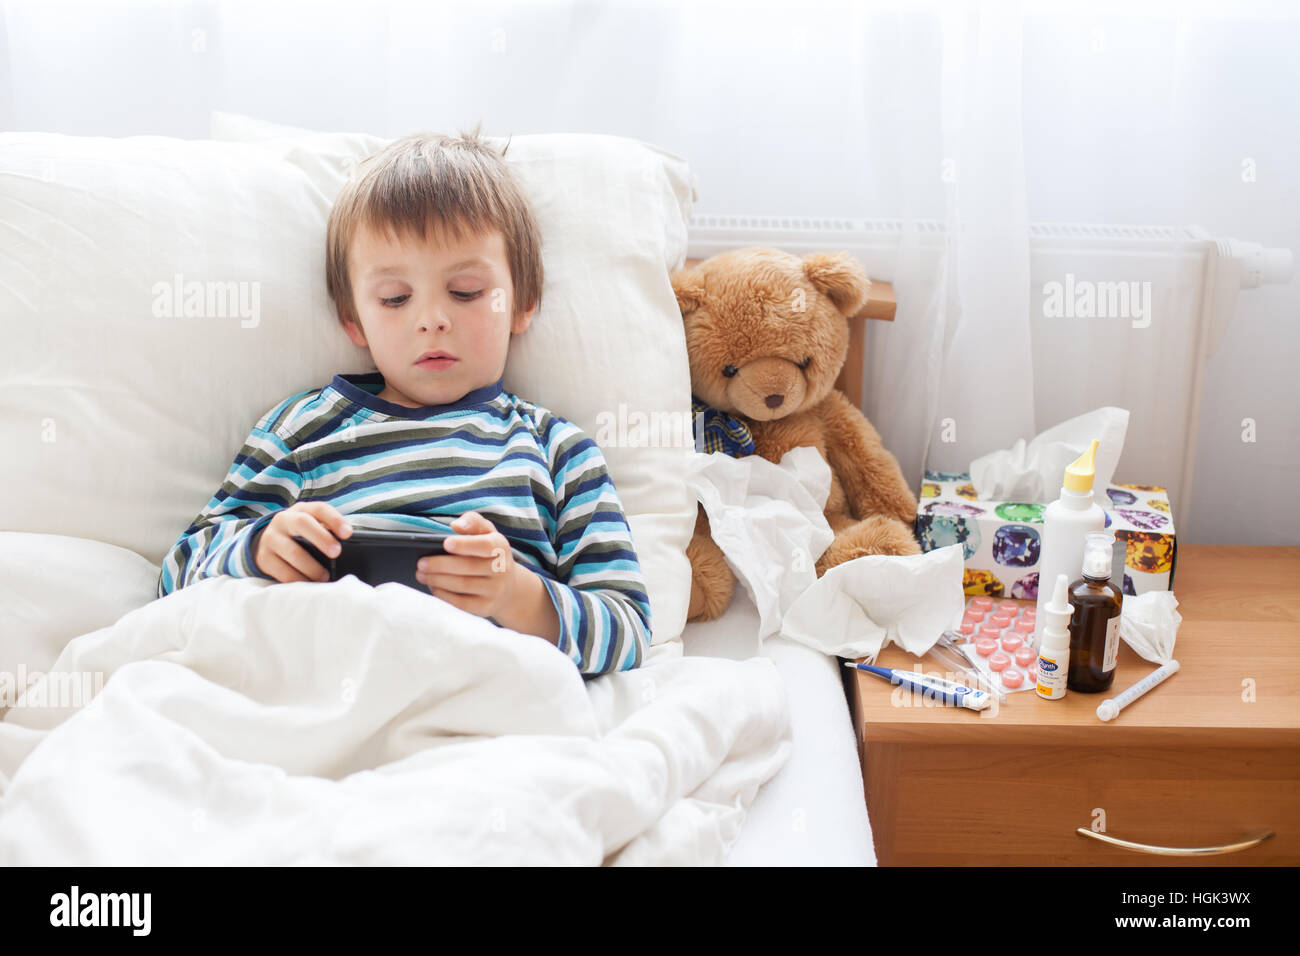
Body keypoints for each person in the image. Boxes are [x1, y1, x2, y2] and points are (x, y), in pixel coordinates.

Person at [157, 127, 652, 678]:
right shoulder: (304, 429)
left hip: (485, 686)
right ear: (354, 319)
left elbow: (627, 630)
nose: (431, 318)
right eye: (395, 299)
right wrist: (258, 548)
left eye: (465, 292)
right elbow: (177, 572)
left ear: (522, 303)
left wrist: (516, 596)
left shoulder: (557, 450)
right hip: (328, 678)